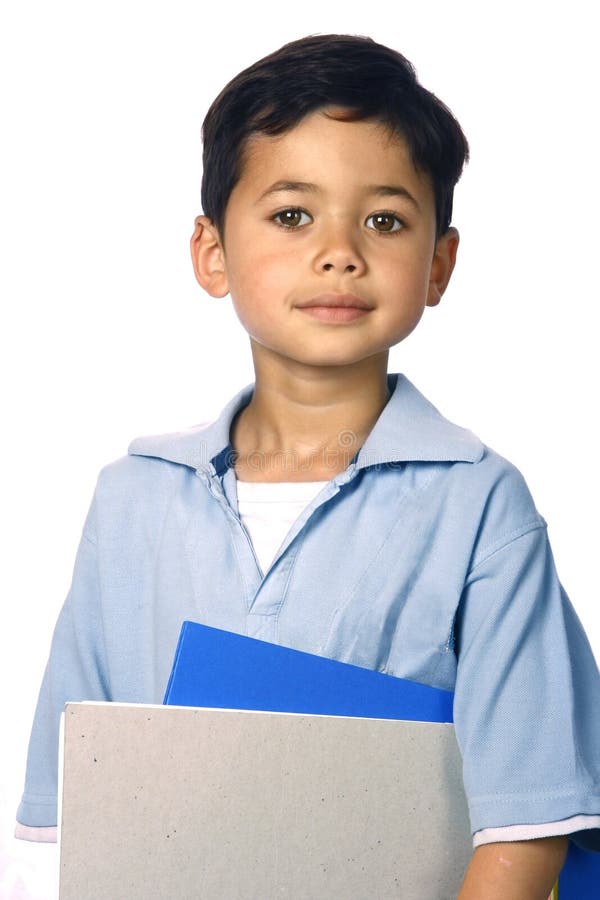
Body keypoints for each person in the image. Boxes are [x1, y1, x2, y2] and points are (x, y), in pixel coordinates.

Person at [16, 33, 600, 897]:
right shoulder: (132, 502)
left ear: (439, 263)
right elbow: (75, 812)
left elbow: (530, 823)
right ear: (211, 252)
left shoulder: (479, 505)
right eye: (292, 215)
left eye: (386, 220)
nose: (341, 252)